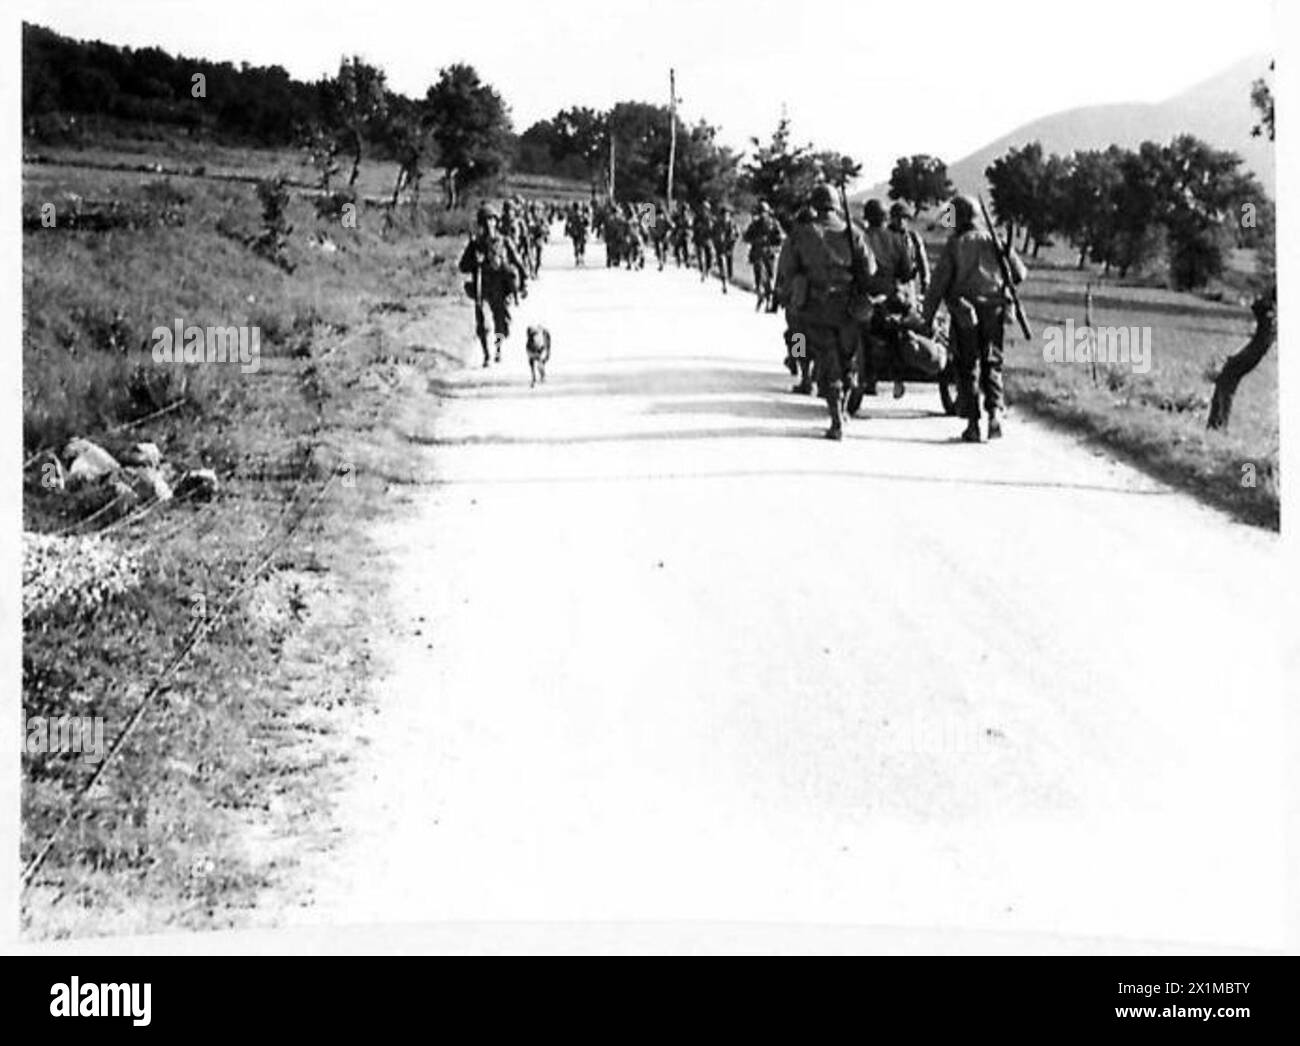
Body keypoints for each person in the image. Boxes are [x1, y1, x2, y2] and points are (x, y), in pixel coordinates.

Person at [921, 194, 1027, 442]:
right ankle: (995, 415)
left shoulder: (955, 244)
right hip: (994, 309)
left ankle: (972, 424)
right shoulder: (995, 241)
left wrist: (926, 318)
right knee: (992, 362)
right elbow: (1020, 273)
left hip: (964, 311)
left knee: (967, 365)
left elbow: (938, 284)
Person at [776, 183, 877, 439]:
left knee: (813, 349)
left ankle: (829, 409)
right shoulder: (852, 232)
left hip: (814, 307)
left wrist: (789, 291)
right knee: (845, 360)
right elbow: (869, 269)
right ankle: (833, 401)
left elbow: (787, 268)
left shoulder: (801, 233)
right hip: (847, 310)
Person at [458, 204, 529, 367]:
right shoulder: (475, 245)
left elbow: (518, 262)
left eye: (492, 220)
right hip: (482, 287)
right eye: (485, 221)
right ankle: (486, 354)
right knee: (482, 323)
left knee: (501, 322)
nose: (489, 224)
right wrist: (475, 260)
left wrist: (523, 282)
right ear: (481, 224)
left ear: (496, 222)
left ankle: (498, 349)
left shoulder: (504, 241)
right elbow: (463, 266)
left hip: (499, 287)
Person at [743, 201, 784, 312]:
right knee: (759, 278)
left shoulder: (774, 224)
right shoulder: (755, 224)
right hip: (758, 254)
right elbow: (746, 237)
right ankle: (761, 296)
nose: (762, 214)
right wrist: (754, 240)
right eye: (760, 212)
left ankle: (769, 299)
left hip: (769, 254)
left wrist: (774, 246)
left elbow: (780, 238)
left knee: (770, 278)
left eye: (764, 212)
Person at [712, 203, 739, 292]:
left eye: (727, 215)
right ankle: (724, 283)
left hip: (729, 247)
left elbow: (737, 235)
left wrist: (732, 241)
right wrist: (715, 244)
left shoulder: (732, 224)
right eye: (723, 215)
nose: (725, 217)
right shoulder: (717, 224)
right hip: (719, 247)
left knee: (729, 265)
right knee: (721, 265)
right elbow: (713, 235)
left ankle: (730, 277)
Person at [693, 201, 715, 281]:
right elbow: (694, 228)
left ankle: (708, 270)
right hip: (699, 240)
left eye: (706, 209)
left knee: (711, 255)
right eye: (702, 208)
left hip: (708, 240)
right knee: (700, 257)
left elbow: (714, 229)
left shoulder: (711, 218)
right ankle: (702, 272)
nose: (704, 210)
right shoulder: (697, 218)